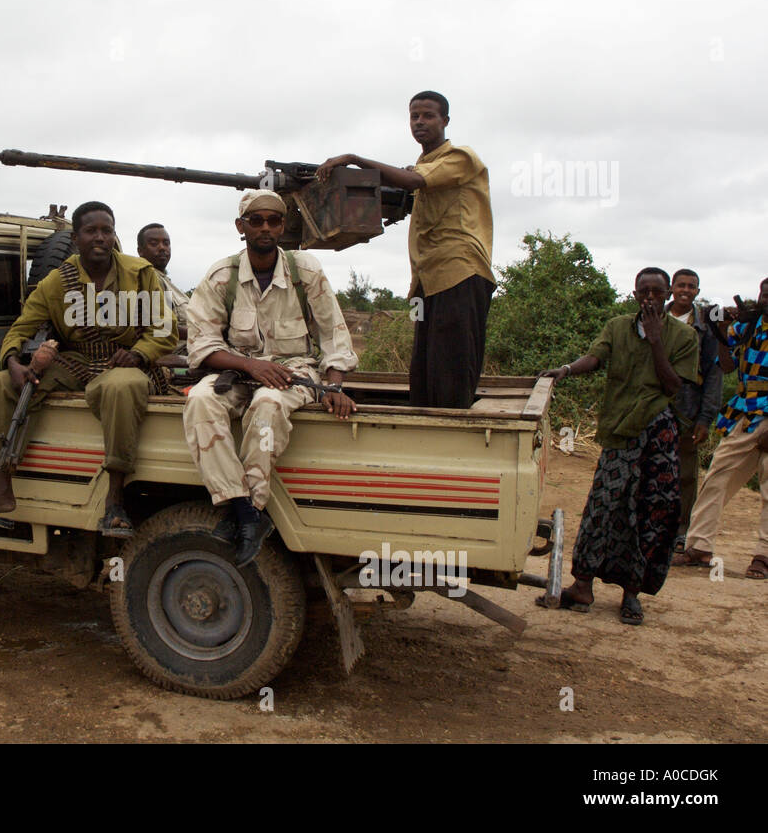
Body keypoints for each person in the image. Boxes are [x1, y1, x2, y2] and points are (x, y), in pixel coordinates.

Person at [0, 201, 178, 537]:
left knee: (121, 387)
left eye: (107, 230)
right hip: (79, 359)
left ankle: (115, 500)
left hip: (124, 359)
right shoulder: (57, 282)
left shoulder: (139, 273)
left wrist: (140, 354)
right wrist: (14, 362)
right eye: (91, 231)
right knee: (4, 383)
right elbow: (20, 329)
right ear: (76, 237)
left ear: (115, 235)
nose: (100, 238)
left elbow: (165, 330)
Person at [183, 189, 358, 565]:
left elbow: (333, 333)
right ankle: (245, 510)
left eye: (273, 221)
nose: (265, 227)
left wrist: (333, 385)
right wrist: (251, 366)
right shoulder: (221, 276)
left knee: (268, 404)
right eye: (256, 220)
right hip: (238, 370)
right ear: (240, 227)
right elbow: (202, 343)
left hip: (293, 372)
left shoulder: (304, 271)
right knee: (198, 399)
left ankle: (246, 509)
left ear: (282, 226)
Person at [537, 268, 699, 624]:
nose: (651, 298)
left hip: (658, 433)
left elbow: (673, 387)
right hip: (620, 430)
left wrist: (656, 340)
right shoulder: (617, 326)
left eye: (658, 292)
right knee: (603, 506)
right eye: (645, 292)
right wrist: (566, 369)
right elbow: (595, 359)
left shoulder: (684, 336)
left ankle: (632, 593)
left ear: (668, 293)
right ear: (635, 294)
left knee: (650, 512)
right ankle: (582, 586)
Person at [316, 90, 494, 408]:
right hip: (425, 282)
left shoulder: (460, 158)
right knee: (424, 372)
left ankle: (455, 444)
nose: (419, 122)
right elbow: (401, 191)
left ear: (445, 121)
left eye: (428, 115)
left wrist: (354, 161)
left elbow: (412, 183)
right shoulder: (420, 166)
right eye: (414, 116)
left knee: (452, 370)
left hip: (459, 273)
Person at [672, 277, 768, 579]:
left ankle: (764, 555)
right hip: (745, 410)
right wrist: (720, 328)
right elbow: (725, 365)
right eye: (764, 293)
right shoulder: (751, 325)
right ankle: (699, 546)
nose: (766, 298)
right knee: (717, 476)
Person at [664, 268, 724, 549]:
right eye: (681, 285)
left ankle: (681, 530)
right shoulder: (654, 318)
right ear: (672, 289)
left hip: (688, 407)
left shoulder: (705, 326)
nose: (685, 291)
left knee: (685, 473)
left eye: (691, 286)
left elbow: (714, 373)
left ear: (697, 291)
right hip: (653, 403)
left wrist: (705, 418)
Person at [135, 222, 190, 342]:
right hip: (176, 351)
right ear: (140, 251)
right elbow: (159, 327)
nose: (162, 248)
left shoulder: (165, 280)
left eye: (166, 243)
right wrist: (202, 335)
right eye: (154, 244)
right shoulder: (148, 278)